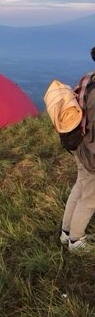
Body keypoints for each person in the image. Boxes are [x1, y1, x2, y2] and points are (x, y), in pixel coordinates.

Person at [62, 46, 95, 251]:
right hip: (91, 151)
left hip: (78, 145)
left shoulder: (87, 78)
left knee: (80, 187)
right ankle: (76, 240)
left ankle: (66, 232)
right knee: (91, 198)